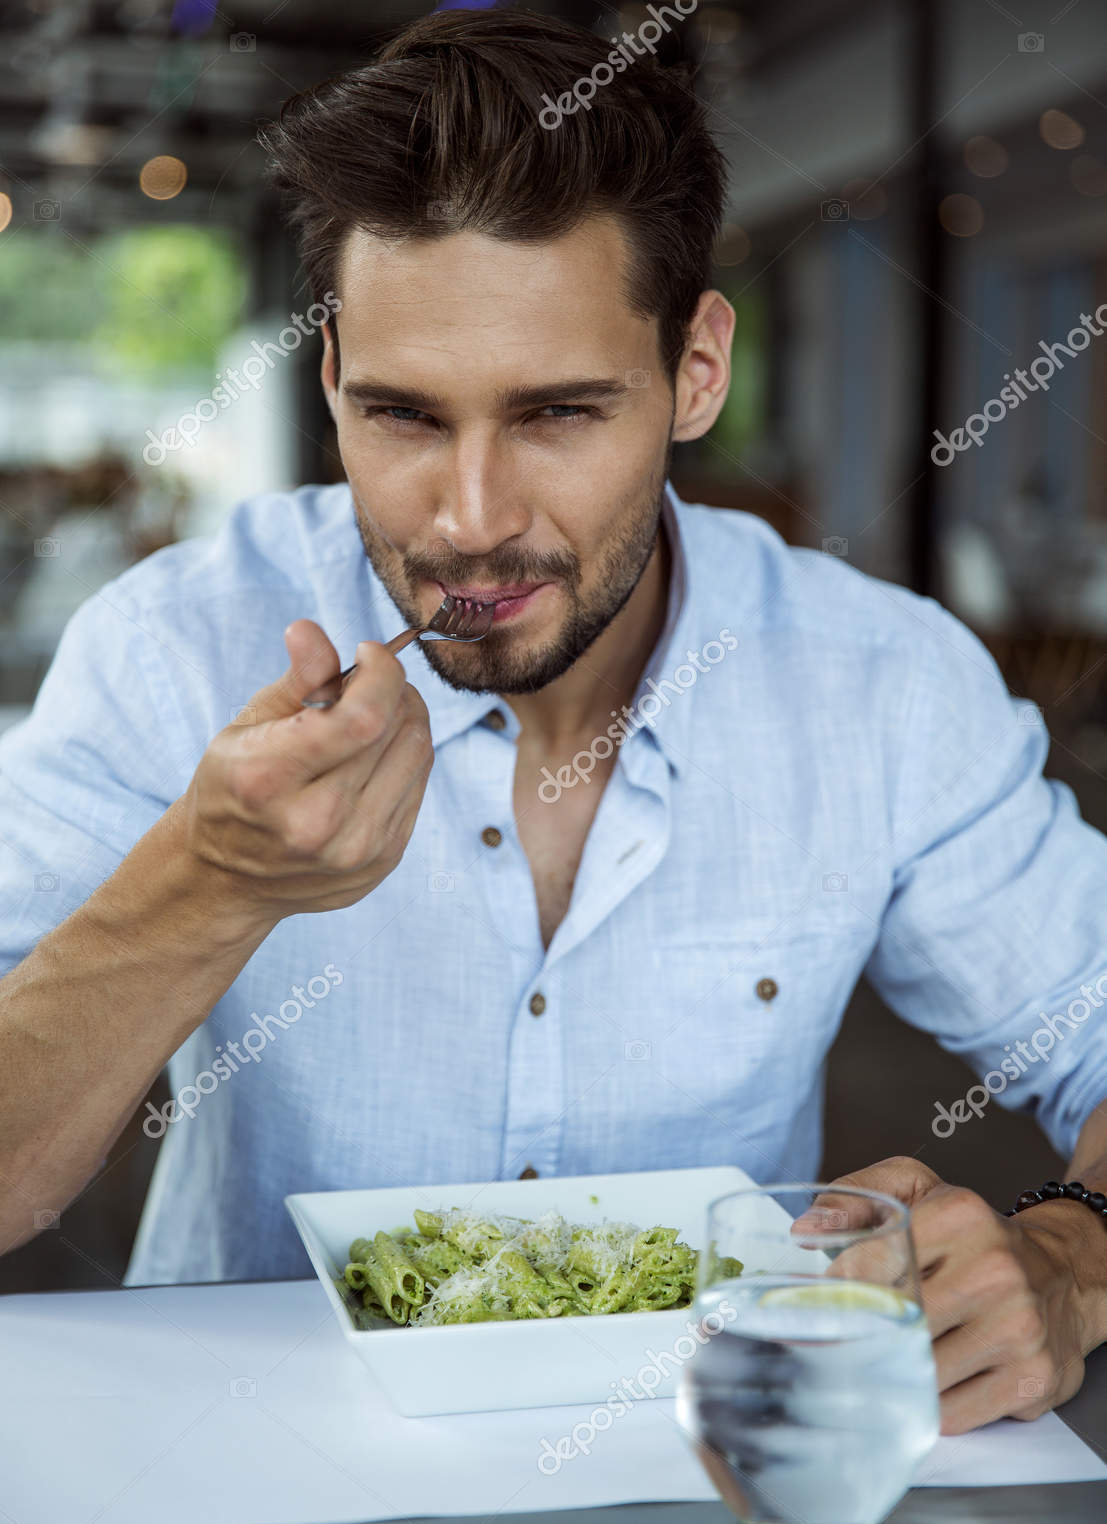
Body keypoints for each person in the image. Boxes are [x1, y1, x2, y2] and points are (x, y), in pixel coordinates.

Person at [1, 8, 1105, 1437]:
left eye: (559, 414)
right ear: (330, 376)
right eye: (404, 416)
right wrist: (206, 885)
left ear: (696, 371)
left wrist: (1071, 1258)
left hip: (711, 1481)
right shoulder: (171, 647)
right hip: (251, 1474)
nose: (471, 521)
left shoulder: (881, 685)